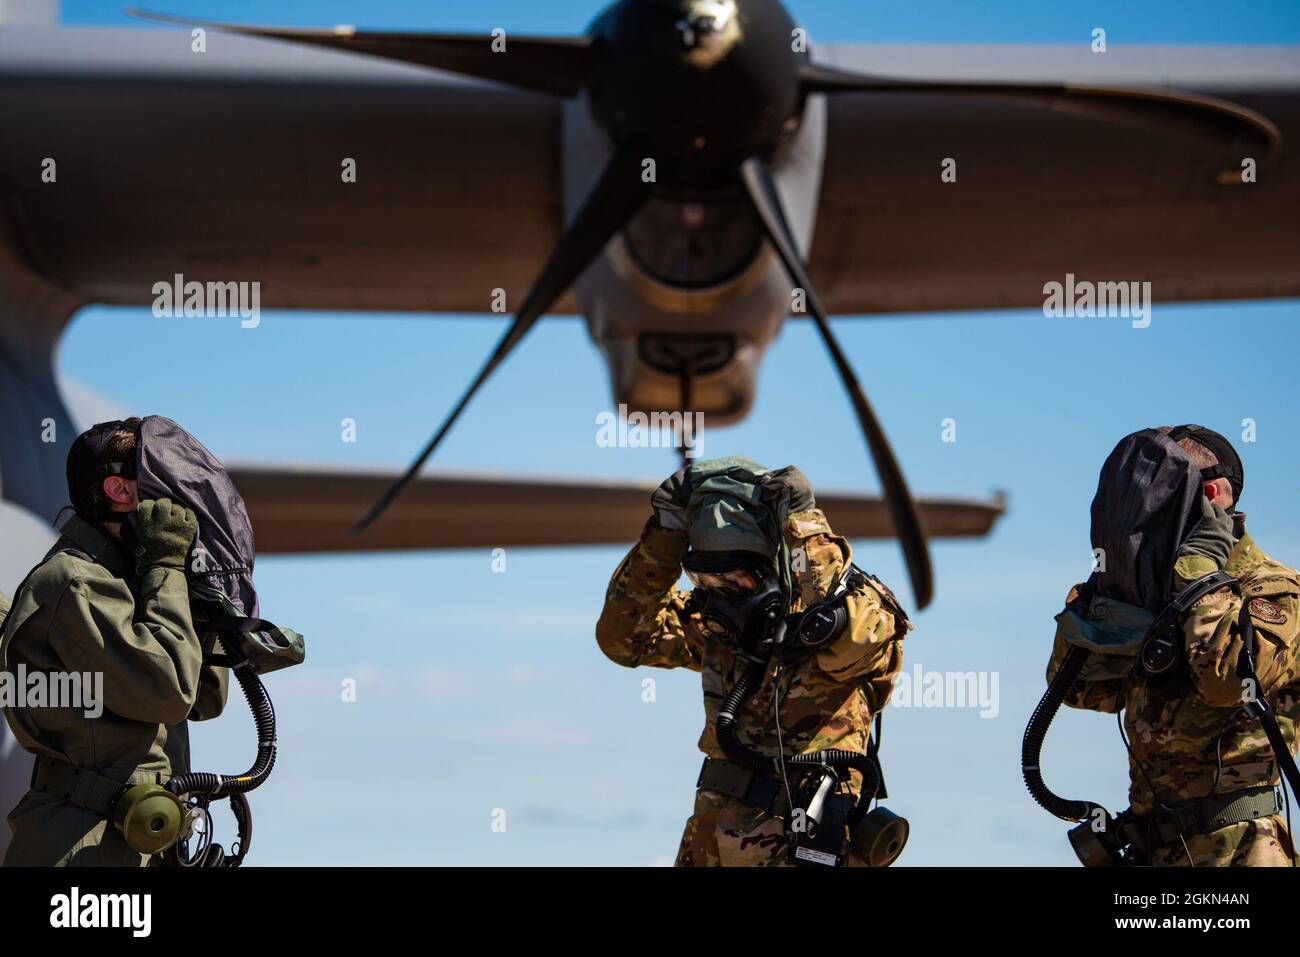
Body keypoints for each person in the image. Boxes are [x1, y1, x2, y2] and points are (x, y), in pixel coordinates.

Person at [596, 456, 910, 866]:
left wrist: (803, 523)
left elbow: (854, 640)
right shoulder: (719, 628)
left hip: (805, 850)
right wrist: (666, 534)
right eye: (705, 581)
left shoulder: (849, 617)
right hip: (710, 846)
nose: (719, 595)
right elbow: (625, 638)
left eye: (735, 580)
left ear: (774, 569)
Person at [1045, 425, 1300, 866]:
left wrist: (1201, 577)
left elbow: (1227, 680)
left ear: (1214, 494)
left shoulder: (1275, 590)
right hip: (1153, 848)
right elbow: (1080, 689)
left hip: (1238, 849)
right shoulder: (1157, 596)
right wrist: (1108, 596)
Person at [0, 418, 227, 866]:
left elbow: (206, 697)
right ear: (120, 491)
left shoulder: (128, 582)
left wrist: (193, 586)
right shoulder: (74, 582)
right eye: (161, 479)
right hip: (85, 842)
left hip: (137, 835)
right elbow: (169, 690)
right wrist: (166, 566)